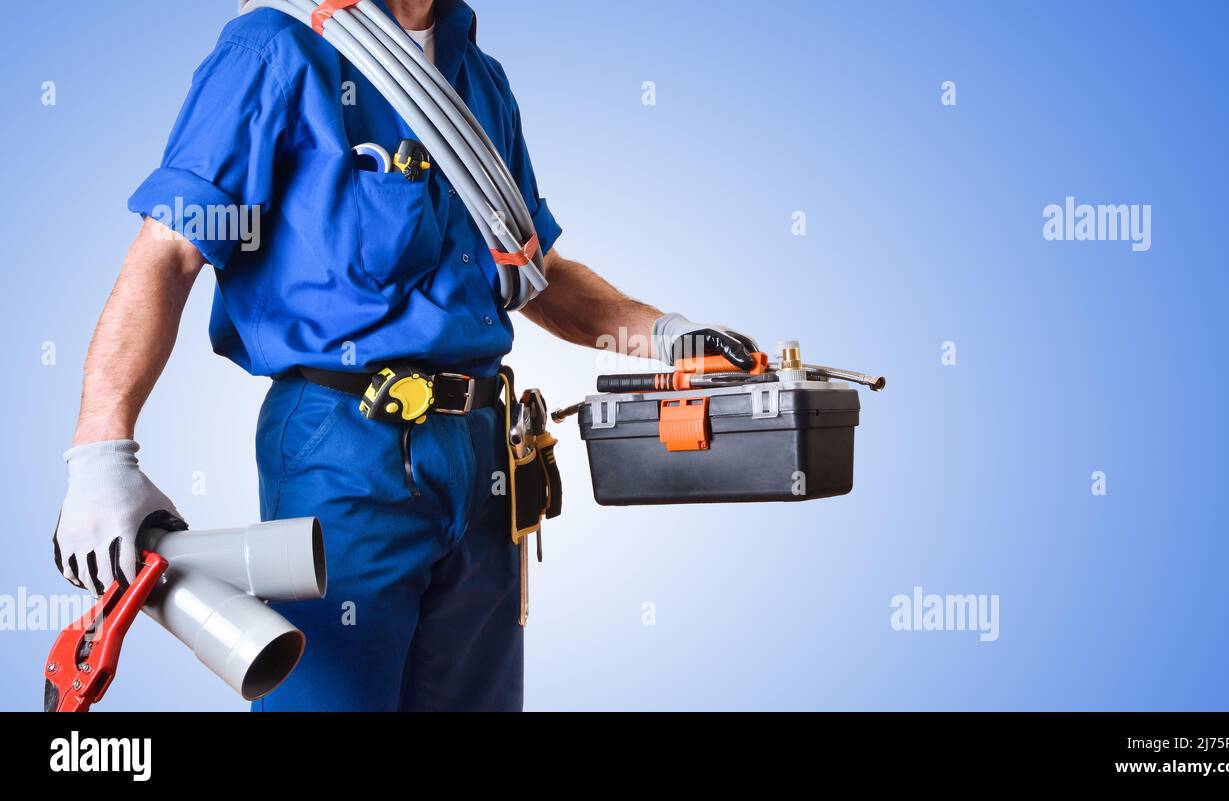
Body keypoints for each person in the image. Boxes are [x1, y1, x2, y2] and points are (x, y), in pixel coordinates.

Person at [52, 0, 759, 711]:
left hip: (485, 454)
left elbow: (532, 269)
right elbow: (168, 250)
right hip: (345, 447)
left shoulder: (478, 79)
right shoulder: (276, 47)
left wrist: (668, 337)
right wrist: (101, 456)